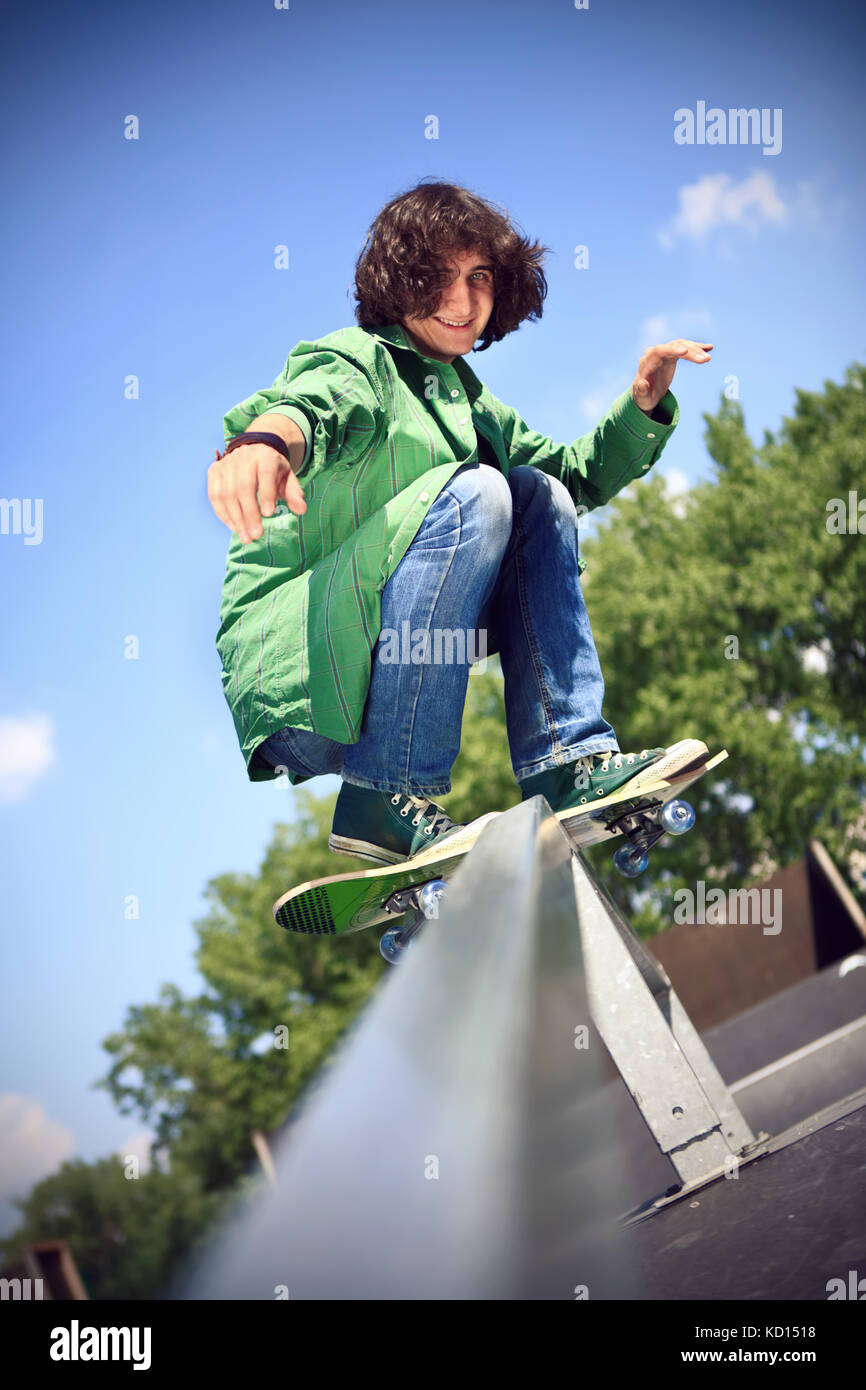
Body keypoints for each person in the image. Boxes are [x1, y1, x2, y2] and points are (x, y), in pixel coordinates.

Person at [208, 179, 711, 867]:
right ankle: (387, 793)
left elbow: (575, 482)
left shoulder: (472, 406)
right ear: (399, 280)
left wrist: (642, 407)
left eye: (479, 277)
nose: (463, 300)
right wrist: (262, 445)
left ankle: (566, 764)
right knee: (481, 494)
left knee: (536, 495)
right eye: (438, 276)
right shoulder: (359, 361)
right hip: (306, 665)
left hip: (380, 663)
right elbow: (308, 406)